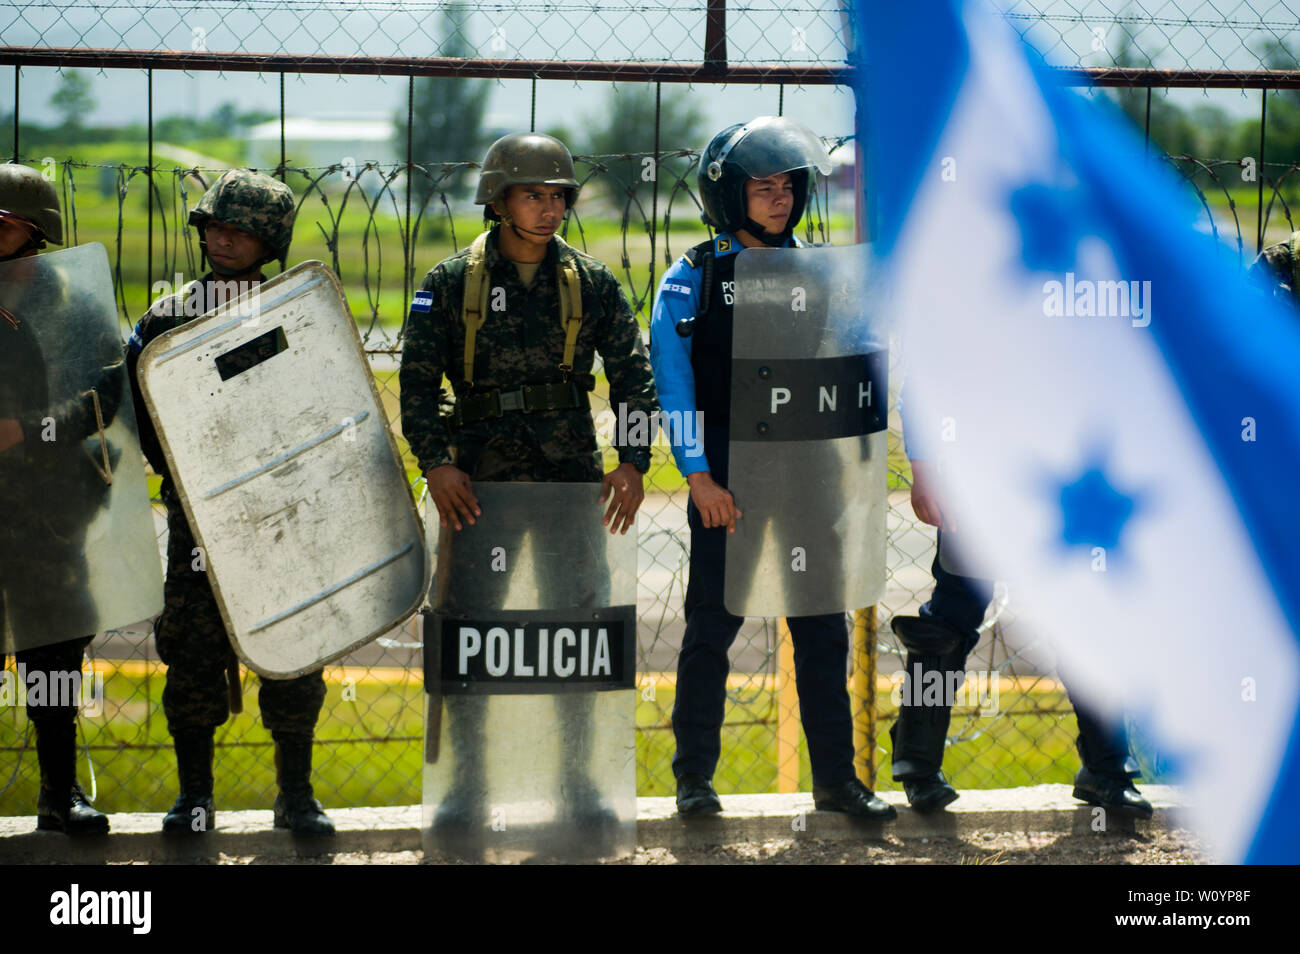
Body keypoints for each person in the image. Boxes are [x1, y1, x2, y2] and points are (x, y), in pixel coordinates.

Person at [399, 132, 657, 831]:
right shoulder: (451, 284)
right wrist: (437, 461)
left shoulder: (591, 282)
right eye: (531, 195)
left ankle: (578, 787)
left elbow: (635, 378)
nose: (548, 209)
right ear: (499, 199)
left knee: (577, 626)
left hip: (571, 483)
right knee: (470, 633)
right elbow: (418, 386)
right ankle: (468, 790)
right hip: (478, 485)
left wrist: (633, 462)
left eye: (557, 197)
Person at [648, 117, 896, 820]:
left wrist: (850, 475)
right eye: (763, 188)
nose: (780, 199)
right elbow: (674, 381)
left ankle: (837, 784)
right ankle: (693, 780)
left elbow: (853, 370)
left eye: (788, 185)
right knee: (710, 628)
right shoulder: (692, 275)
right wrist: (698, 477)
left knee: (823, 628)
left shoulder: (822, 271)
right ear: (729, 195)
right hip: (727, 472)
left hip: (808, 473)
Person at [125, 169, 334, 836]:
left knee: (296, 645)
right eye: (213, 226)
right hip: (200, 522)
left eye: (238, 231)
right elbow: (137, 409)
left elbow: (328, 406)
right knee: (190, 652)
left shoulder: (296, 311)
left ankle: (295, 796)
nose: (221, 239)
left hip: (286, 513)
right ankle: (194, 798)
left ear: (268, 241)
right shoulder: (167, 319)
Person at [892, 454, 1154, 817]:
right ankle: (917, 766)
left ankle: (1106, 768)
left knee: (1084, 618)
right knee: (945, 626)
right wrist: (923, 470)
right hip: (975, 470)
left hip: (1066, 478)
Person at [0, 162, 117, 835]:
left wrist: (32, 430)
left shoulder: (73, 305)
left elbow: (107, 392)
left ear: (37, 231)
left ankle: (58, 792)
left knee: (53, 653)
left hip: (47, 509)